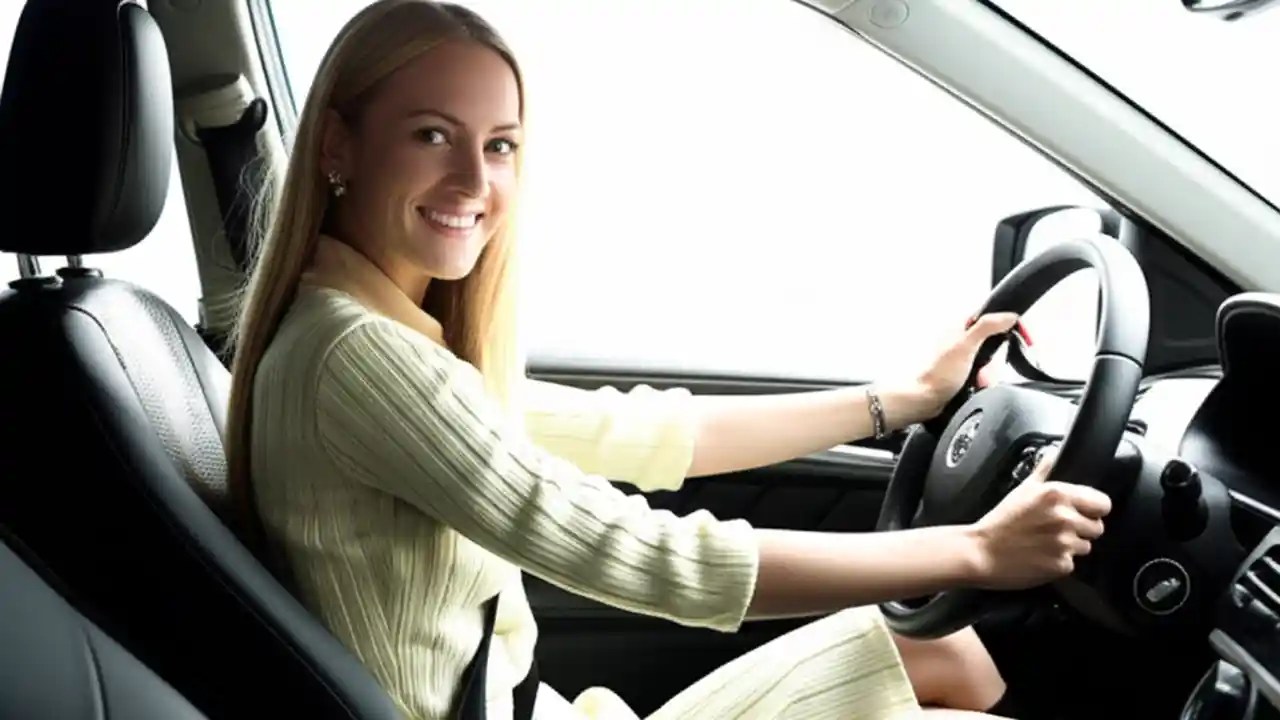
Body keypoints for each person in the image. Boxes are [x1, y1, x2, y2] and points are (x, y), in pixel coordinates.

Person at [224, 2, 1112, 718]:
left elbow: (644, 433)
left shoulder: (373, 337)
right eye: (430, 135)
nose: (473, 182)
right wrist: (974, 551)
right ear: (338, 145)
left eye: (499, 146)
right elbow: (639, 555)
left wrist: (903, 398)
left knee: (938, 646)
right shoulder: (358, 359)